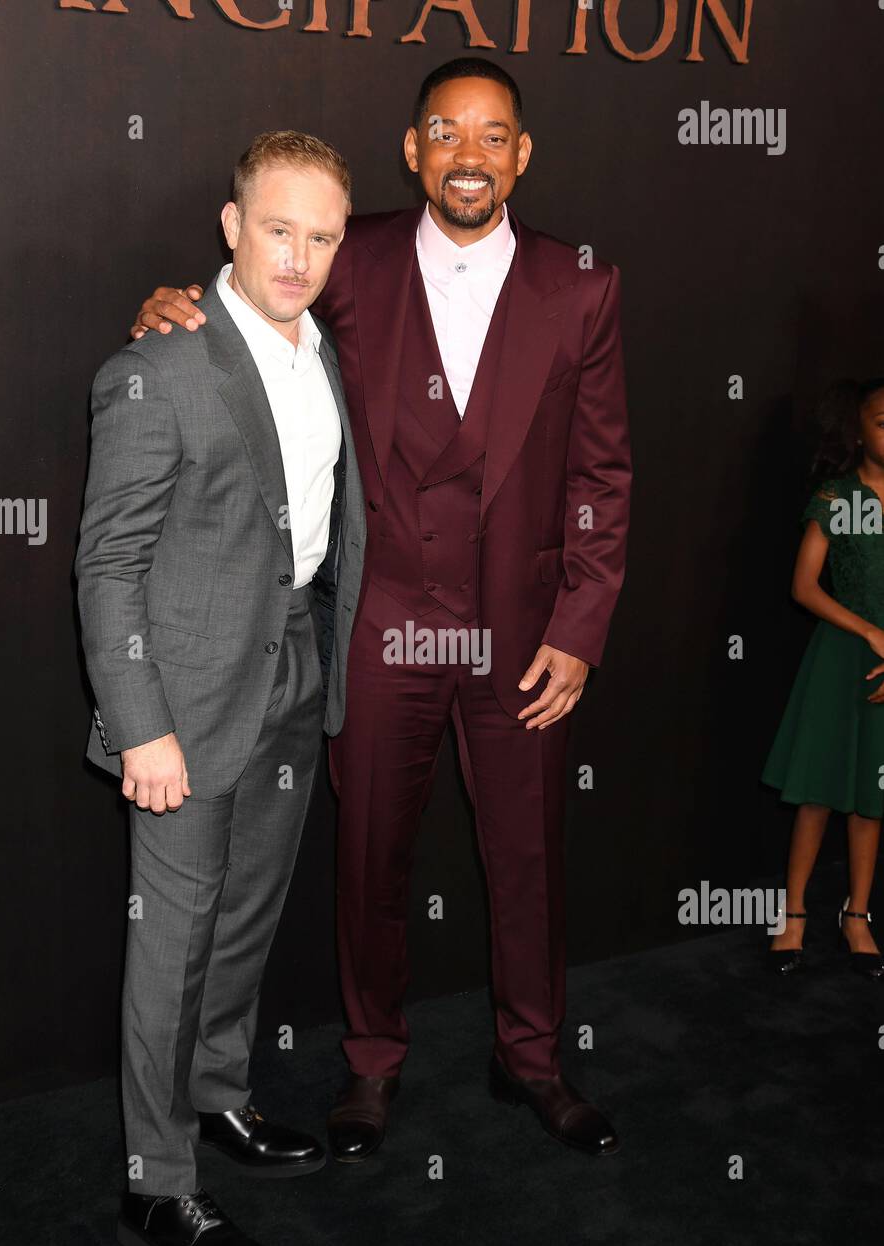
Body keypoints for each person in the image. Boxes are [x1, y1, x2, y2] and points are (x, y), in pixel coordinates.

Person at [130, 59, 632, 1161]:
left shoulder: (580, 287)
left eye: (492, 135)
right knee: (368, 859)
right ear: (414, 151)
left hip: (523, 639)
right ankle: (369, 1064)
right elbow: (250, 304)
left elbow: (603, 475)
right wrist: (169, 307)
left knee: (529, 857)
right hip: (381, 620)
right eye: (445, 132)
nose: (468, 153)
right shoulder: (346, 259)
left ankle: (534, 1059)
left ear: (522, 155)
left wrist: (580, 627)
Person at [76, 131, 366, 1246]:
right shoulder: (159, 366)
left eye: (323, 235)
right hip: (184, 703)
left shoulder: (322, 350)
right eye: (278, 228)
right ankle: (157, 1179)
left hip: (291, 671)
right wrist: (139, 721)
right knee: (173, 942)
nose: (298, 256)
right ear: (231, 226)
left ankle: (219, 1096)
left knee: (246, 917)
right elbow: (107, 564)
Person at [762, 376, 884, 979]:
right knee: (815, 792)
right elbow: (803, 586)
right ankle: (793, 916)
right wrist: (867, 632)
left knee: (872, 797)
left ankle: (858, 915)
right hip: (838, 660)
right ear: (859, 431)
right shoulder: (837, 499)